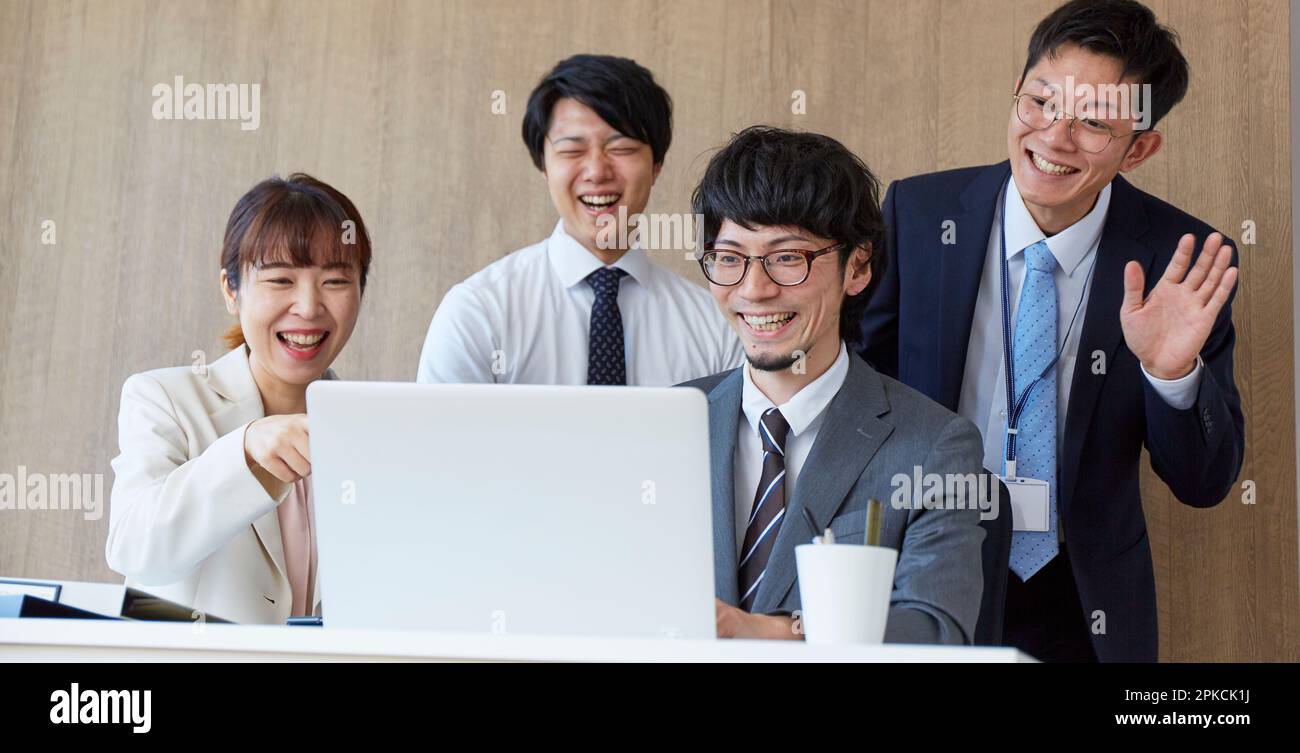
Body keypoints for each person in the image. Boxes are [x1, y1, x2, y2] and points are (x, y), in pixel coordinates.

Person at [860, 0, 1245, 662]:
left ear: (1140, 147)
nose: (1054, 138)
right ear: (1016, 92)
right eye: (1041, 102)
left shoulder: (1182, 259)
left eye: (1094, 122)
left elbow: (1205, 482)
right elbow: (859, 388)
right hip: (921, 568)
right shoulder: (918, 216)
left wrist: (1171, 372)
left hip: (1081, 598)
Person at [684, 126, 987, 642]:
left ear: (858, 267)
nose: (755, 290)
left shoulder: (933, 446)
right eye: (730, 258)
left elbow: (934, 630)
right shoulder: (670, 421)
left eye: (787, 258)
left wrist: (776, 632)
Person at [106, 173, 373, 624]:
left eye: (335, 281)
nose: (308, 307)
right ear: (232, 290)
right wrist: (244, 450)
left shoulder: (373, 430)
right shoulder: (162, 399)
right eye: (281, 280)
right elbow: (137, 550)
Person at [418, 54, 742, 385]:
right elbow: (440, 437)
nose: (597, 172)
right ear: (543, 166)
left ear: (656, 164)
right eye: (573, 150)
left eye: (622, 148)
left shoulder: (714, 326)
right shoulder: (479, 311)